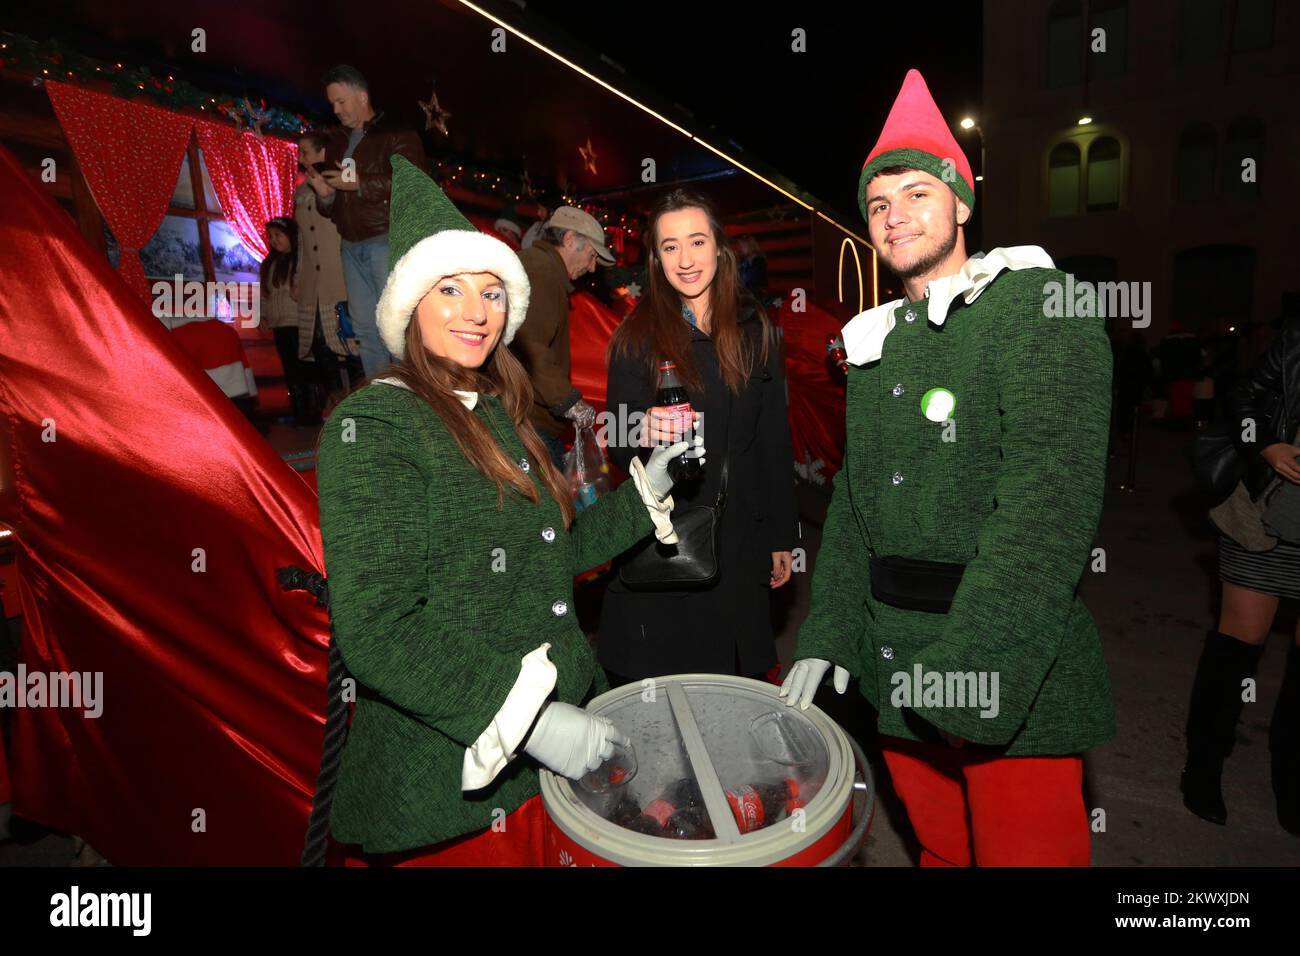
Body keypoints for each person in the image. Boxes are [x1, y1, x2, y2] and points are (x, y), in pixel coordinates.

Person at [315, 156, 702, 865]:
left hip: (539, 770)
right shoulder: (376, 424)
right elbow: (378, 631)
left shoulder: (493, 410)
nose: (476, 311)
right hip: (448, 785)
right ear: (409, 305)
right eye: (451, 289)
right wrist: (527, 720)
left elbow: (550, 553)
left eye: (492, 292)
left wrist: (644, 488)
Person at [782, 69, 1114, 866]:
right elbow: (858, 511)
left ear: (962, 203)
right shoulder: (876, 342)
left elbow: (1047, 508)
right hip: (894, 660)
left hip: (1001, 660)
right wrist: (828, 633)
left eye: (917, 194)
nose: (895, 218)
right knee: (939, 851)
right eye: (879, 205)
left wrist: (975, 669)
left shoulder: (1037, 306)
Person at [599, 188, 797, 685]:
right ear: (655, 258)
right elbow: (616, 439)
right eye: (670, 247)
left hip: (742, 538)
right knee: (673, 691)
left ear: (719, 247)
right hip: (673, 540)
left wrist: (781, 535)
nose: (685, 260)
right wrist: (641, 427)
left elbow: (773, 438)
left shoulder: (757, 329)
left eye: (696, 242)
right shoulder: (637, 335)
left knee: (734, 691)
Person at [1185, 316, 1300, 834]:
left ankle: (1291, 778)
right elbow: (1244, 397)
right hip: (1269, 512)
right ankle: (1203, 767)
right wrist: (1268, 445)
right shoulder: (1298, 335)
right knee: (1238, 645)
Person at [311, 65, 427, 379]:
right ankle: (384, 399)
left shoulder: (397, 132)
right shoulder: (338, 142)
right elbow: (333, 208)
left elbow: (413, 183)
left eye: (341, 101)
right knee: (364, 328)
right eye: (332, 104)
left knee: (396, 325)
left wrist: (359, 183)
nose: (336, 110)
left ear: (362, 96)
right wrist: (325, 195)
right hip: (350, 245)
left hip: (386, 239)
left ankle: (413, 399)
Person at [509, 207, 614, 468]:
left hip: (526, 420)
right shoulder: (541, 271)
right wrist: (569, 401)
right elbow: (529, 347)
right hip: (528, 425)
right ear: (569, 240)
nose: (592, 268)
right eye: (591, 256)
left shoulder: (538, 267)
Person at [295, 129, 355, 411]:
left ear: (322, 152)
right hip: (312, 281)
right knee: (318, 342)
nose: (301, 158)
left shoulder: (341, 181)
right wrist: (298, 277)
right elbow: (301, 241)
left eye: (305, 151)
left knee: (350, 342)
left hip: (339, 277)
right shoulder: (301, 192)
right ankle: (336, 401)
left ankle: (360, 402)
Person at [260, 217, 315, 426]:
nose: (274, 241)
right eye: (271, 237)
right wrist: (263, 316)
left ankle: (312, 412)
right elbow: (265, 295)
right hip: (278, 324)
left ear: (291, 236)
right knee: (290, 369)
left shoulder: (299, 262)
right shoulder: (269, 264)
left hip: (297, 322)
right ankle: (300, 413)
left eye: (278, 235)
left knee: (303, 368)